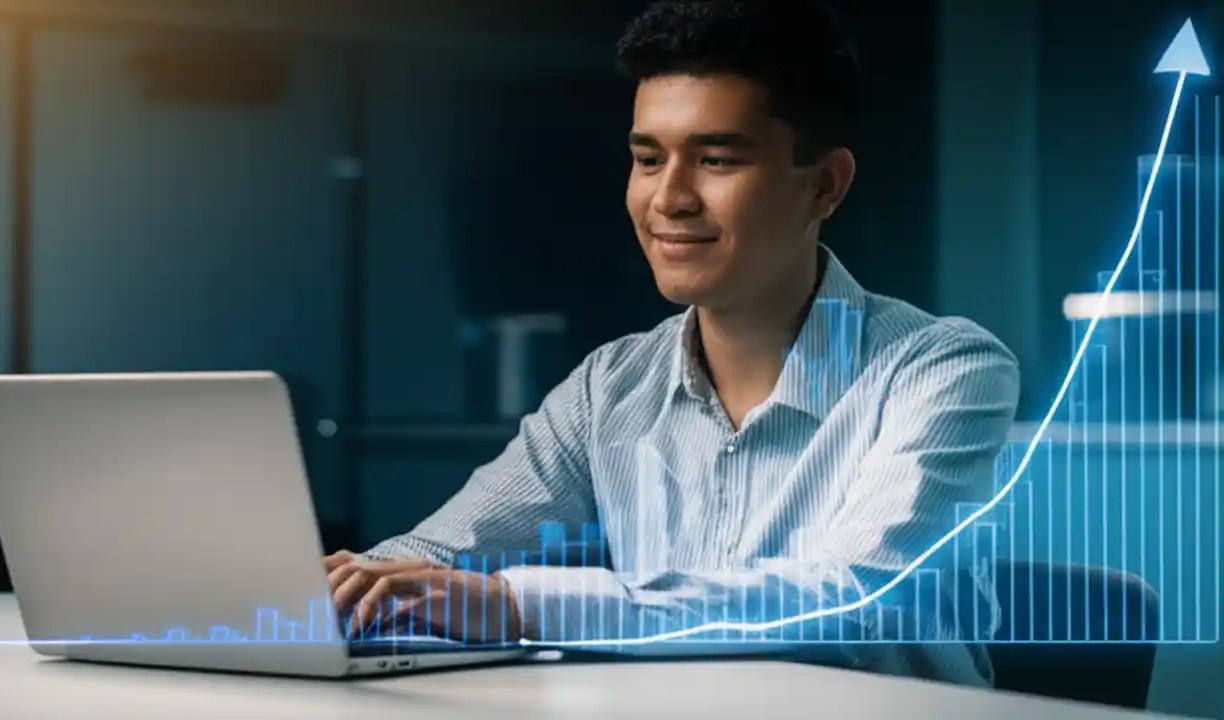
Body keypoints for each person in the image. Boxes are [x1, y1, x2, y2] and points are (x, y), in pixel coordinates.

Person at [324, 0, 1019, 686]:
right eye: (649, 159)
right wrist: (348, 585)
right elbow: (441, 551)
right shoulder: (611, 386)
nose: (670, 199)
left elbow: (852, 602)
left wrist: (518, 606)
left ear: (826, 185)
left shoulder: (942, 370)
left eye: (716, 160)